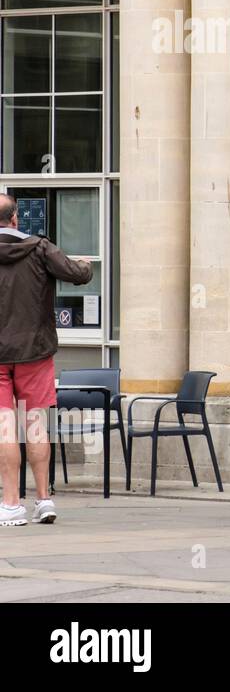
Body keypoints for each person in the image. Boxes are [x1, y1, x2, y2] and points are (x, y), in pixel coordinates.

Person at [0, 194, 93, 527]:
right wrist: (86, 264)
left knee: (5, 428)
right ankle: (44, 500)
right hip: (35, 352)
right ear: (15, 219)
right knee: (36, 425)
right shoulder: (40, 248)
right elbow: (77, 274)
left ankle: (10, 504)